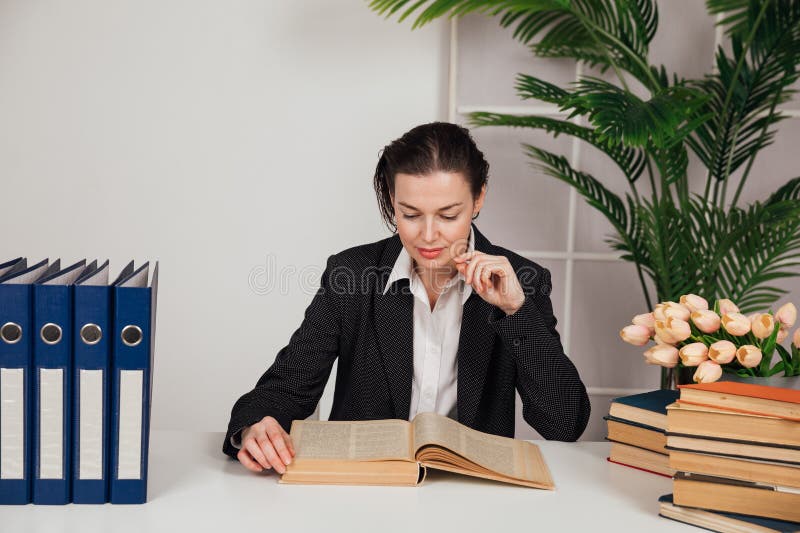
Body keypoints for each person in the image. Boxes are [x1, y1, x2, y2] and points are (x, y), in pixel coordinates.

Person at [222, 122, 591, 474]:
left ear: (478, 198)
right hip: (364, 489)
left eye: (448, 215)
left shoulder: (522, 281)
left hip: (472, 495)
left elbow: (565, 422)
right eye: (410, 214)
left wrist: (515, 311)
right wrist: (256, 426)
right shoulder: (350, 274)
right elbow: (287, 386)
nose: (428, 235)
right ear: (392, 200)